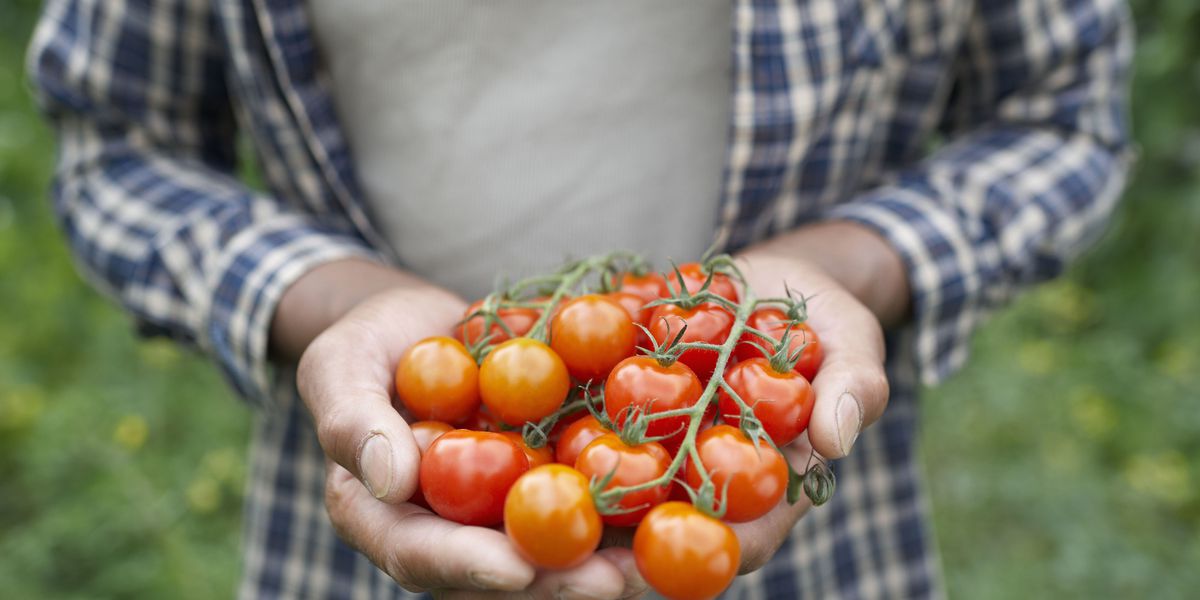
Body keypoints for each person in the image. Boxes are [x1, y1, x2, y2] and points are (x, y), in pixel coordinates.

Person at [27, 0, 1132, 597]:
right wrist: (331, 299)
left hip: (821, 549)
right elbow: (119, 142)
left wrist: (851, 263)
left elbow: (1064, 110)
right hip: (371, 503)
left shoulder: (695, 406)